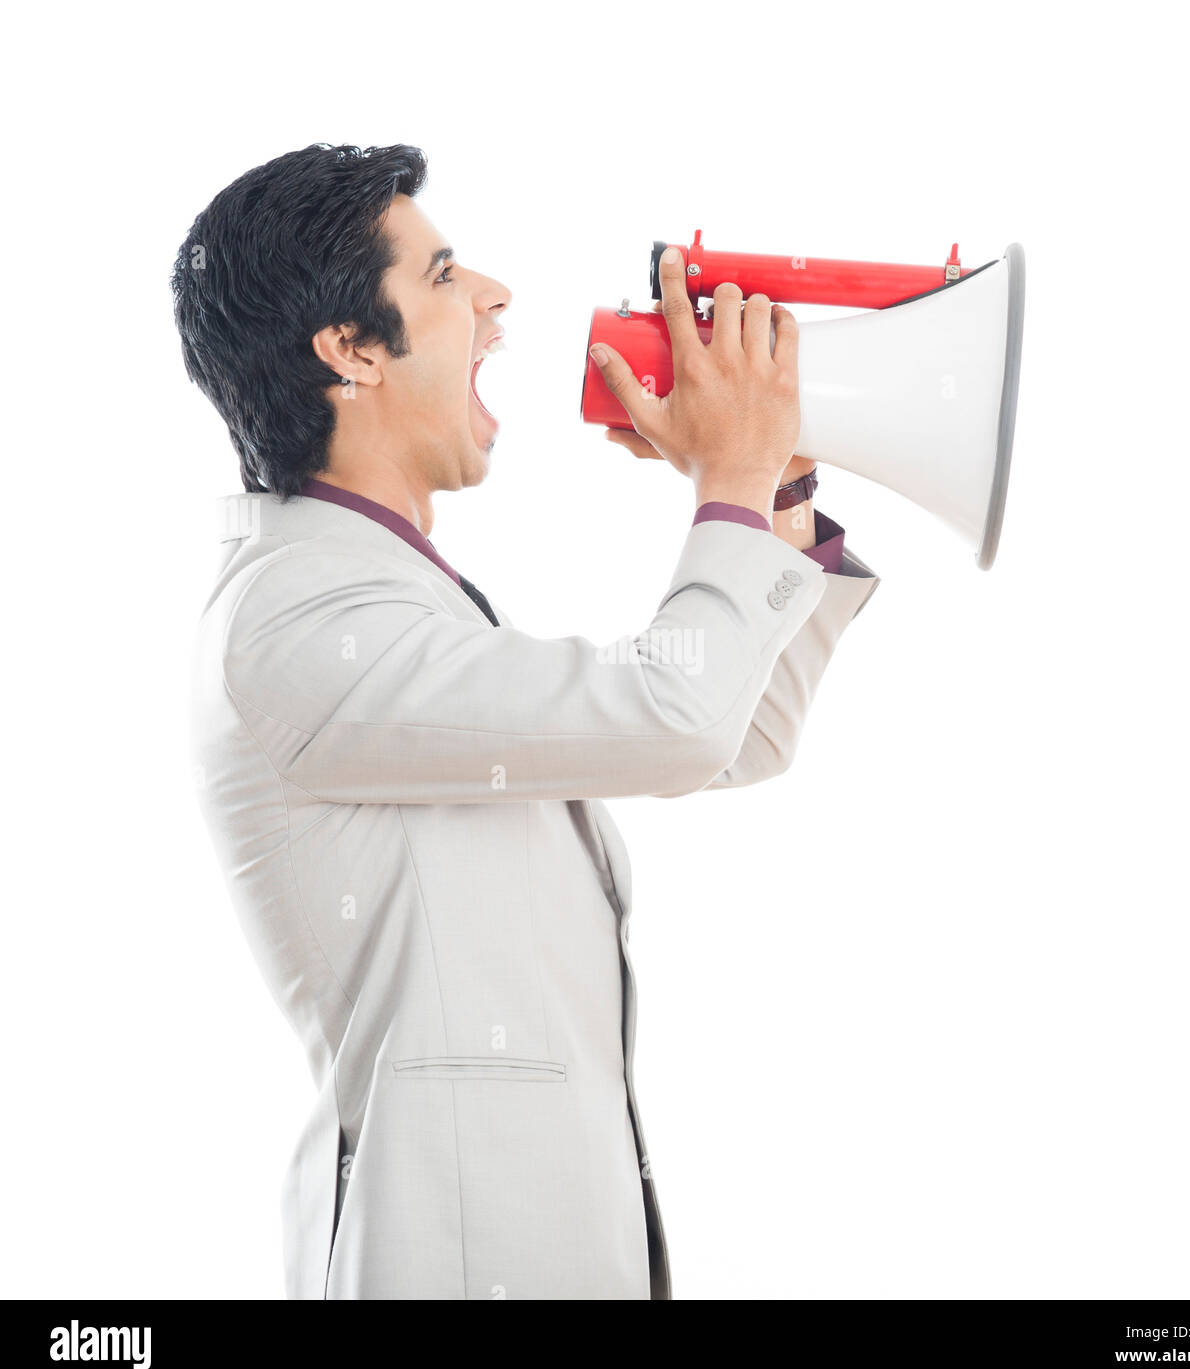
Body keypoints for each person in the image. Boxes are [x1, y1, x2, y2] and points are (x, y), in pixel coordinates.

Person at [174, 143, 878, 1300]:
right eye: (445, 274)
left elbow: (732, 731)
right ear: (349, 350)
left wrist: (774, 495)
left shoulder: (395, 604)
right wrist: (729, 483)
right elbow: (679, 719)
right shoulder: (297, 616)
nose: (495, 295)